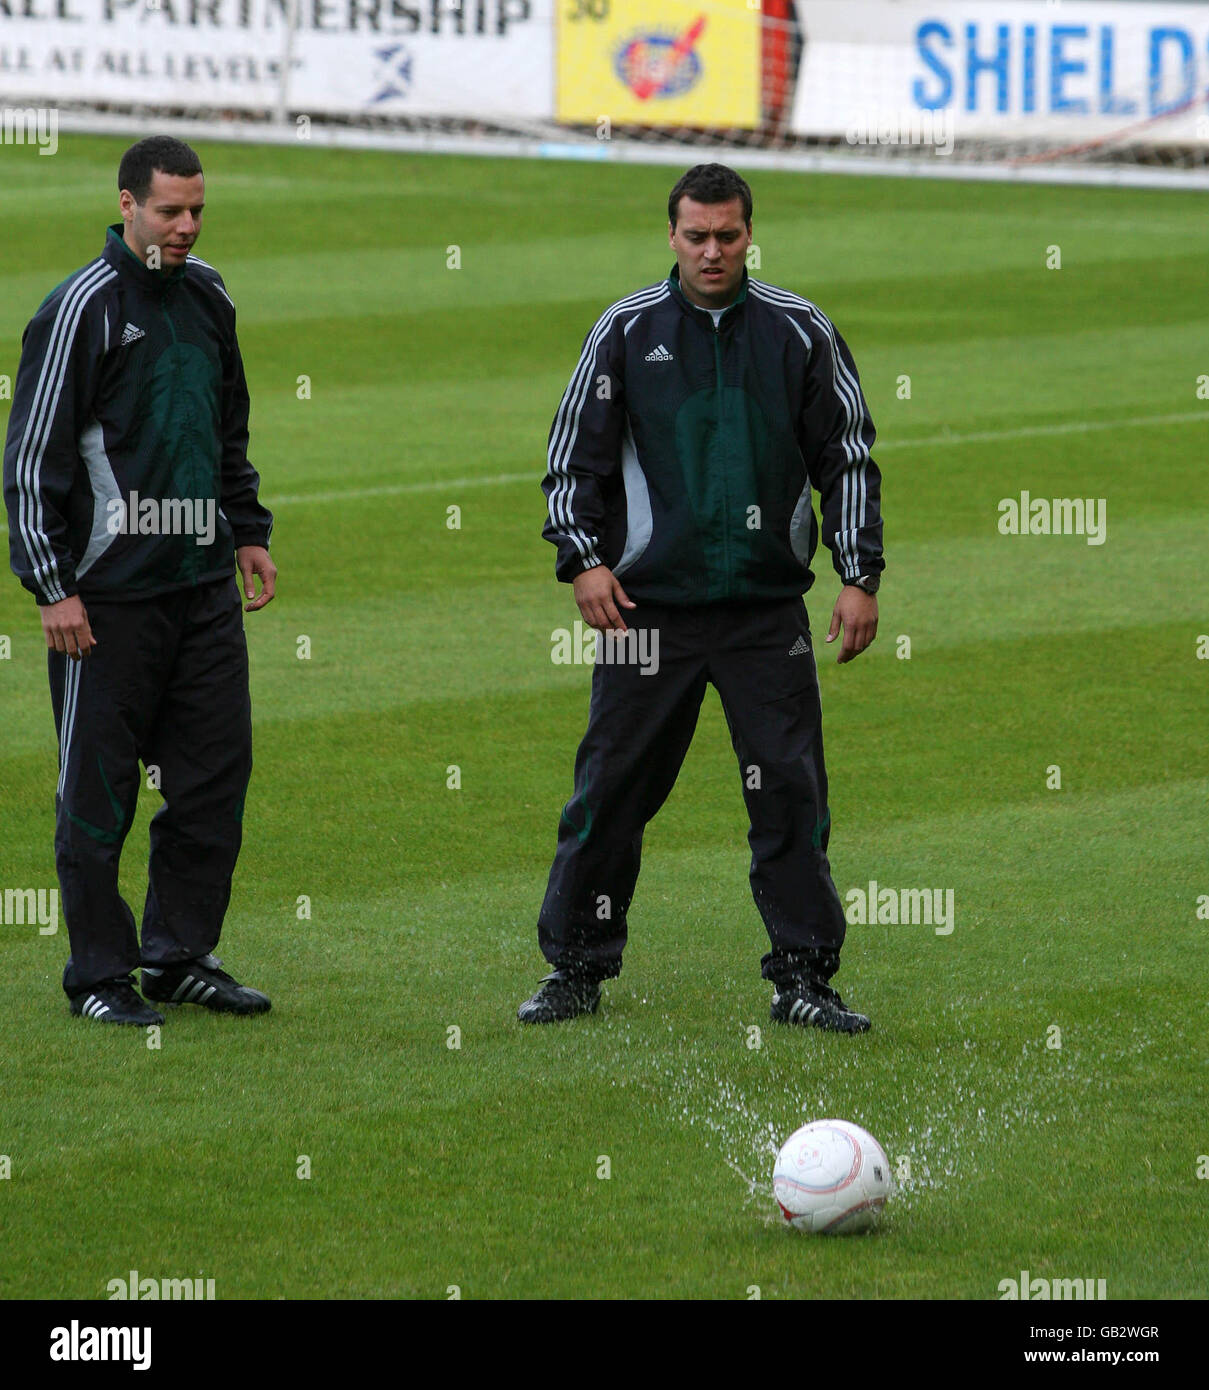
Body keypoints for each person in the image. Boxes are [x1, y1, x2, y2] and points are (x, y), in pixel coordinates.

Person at [521, 163, 883, 1033]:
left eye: (727, 235)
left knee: (790, 795)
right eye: (696, 236)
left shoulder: (799, 332)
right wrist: (581, 562)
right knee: (610, 792)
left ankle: (803, 976)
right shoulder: (624, 330)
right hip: (647, 615)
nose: (712, 251)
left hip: (765, 614)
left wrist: (858, 574)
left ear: (749, 234)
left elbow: (848, 456)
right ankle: (575, 968)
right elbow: (574, 457)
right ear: (671, 237)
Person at [3, 136, 276, 1025]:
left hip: (200, 587)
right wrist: (53, 586)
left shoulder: (209, 295)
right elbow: (32, 456)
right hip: (106, 599)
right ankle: (98, 976)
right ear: (126, 206)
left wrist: (246, 534)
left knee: (212, 777)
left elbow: (226, 428)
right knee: (98, 789)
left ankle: (179, 954)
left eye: (198, 209)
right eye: (169, 210)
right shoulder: (77, 309)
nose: (187, 225)